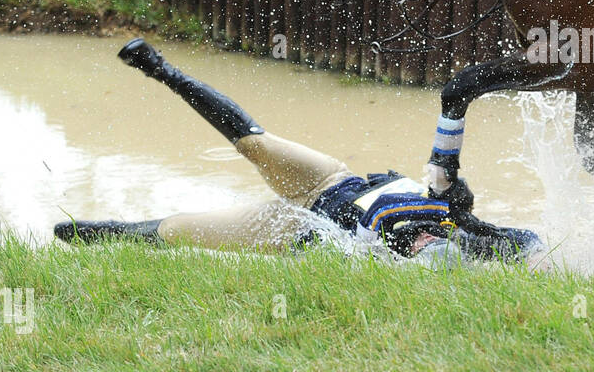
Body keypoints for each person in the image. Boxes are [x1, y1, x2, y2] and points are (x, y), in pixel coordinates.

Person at [53, 39, 545, 267]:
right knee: (258, 147)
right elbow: (525, 240)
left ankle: (97, 234)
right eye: (427, 244)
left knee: (181, 229)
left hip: (297, 229)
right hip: (329, 181)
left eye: (420, 256)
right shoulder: (452, 214)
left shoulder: (378, 260)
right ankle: (161, 69)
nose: (418, 248)